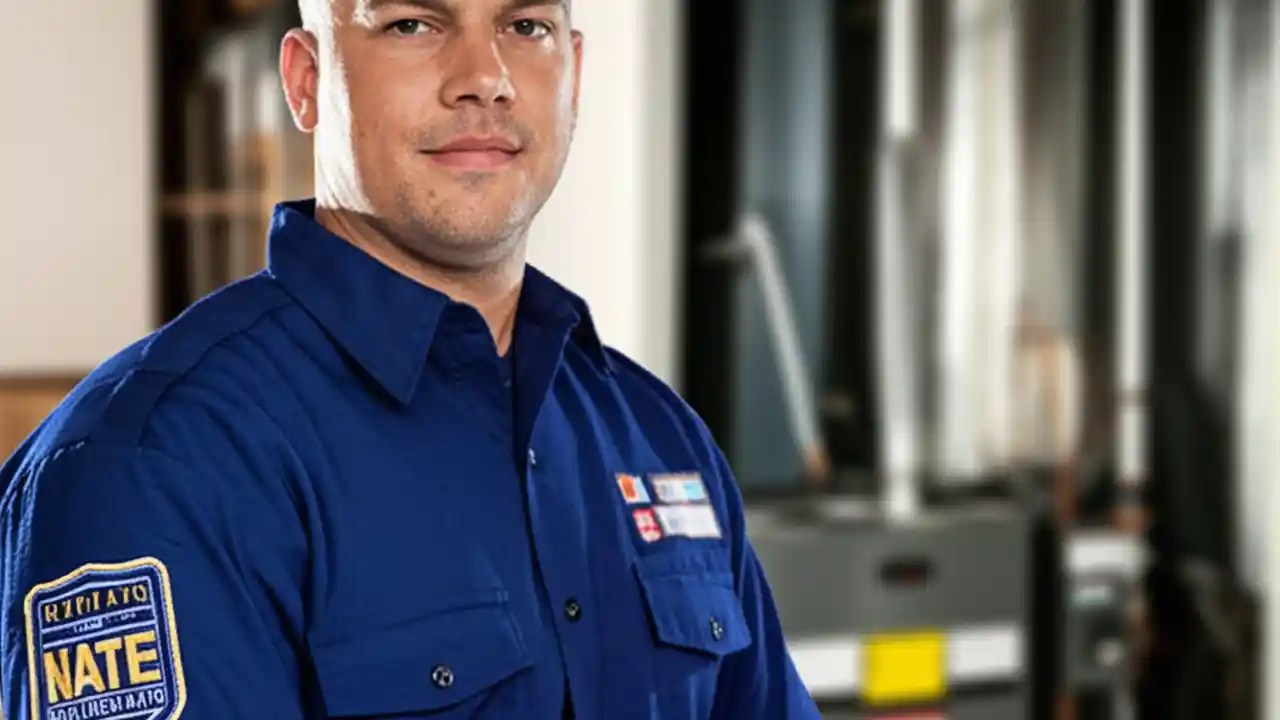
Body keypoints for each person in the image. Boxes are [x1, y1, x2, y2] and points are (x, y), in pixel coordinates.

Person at [0, 0, 820, 718]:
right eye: (413, 24)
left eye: (525, 25)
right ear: (307, 79)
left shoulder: (655, 436)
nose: (484, 77)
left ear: (573, 69)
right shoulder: (152, 464)